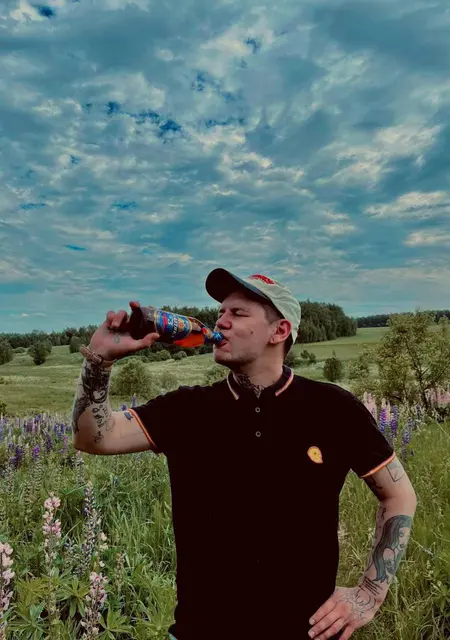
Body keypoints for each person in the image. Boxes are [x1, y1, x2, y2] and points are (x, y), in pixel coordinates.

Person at [72, 268, 417, 640]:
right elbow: (95, 438)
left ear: (279, 331)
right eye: (220, 312)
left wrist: (369, 592)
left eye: (237, 313)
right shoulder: (186, 410)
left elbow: (398, 494)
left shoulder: (334, 408)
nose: (221, 321)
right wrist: (99, 360)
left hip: (306, 633)